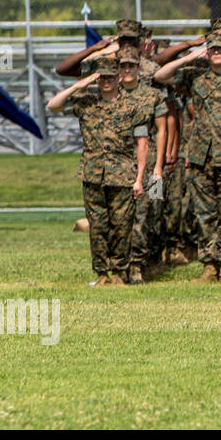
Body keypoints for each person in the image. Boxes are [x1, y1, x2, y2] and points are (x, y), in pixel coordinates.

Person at [154, 29, 221, 283]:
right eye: (212, 49)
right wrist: (190, 58)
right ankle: (209, 266)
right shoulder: (196, 79)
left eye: (220, 49)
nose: (215, 53)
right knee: (204, 214)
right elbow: (161, 75)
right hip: (200, 156)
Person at [47, 56, 150, 286]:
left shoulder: (133, 107)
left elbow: (142, 144)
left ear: (119, 77)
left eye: (110, 77)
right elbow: (53, 105)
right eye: (101, 77)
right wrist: (78, 85)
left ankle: (120, 273)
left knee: (122, 226)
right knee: (98, 226)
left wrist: (140, 178)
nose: (106, 81)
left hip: (123, 175)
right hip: (93, 174)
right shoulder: (86, 103)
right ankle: (102, 273)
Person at [117, 47, 168, 283]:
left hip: (149, 165)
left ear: (139, 67)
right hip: (117, 165)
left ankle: (138, 265)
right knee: (120, 218)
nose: (127, 70)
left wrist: (159, 167)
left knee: (147, 216)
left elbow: (162, 130)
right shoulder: (111, 94)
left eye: (131, 65)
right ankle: (121, 265)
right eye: (122, 65)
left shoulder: (152, 95)